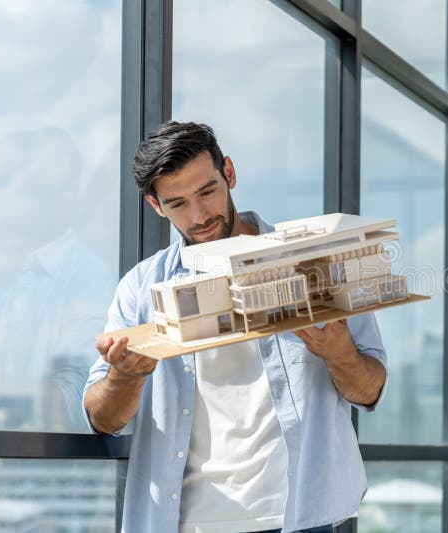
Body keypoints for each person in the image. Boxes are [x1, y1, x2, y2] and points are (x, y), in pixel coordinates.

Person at [83, 121, 389, 533]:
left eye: (207, 191)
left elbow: (369, 390)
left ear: (229, 172)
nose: (199, 215)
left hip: (300, 517)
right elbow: (103, 419)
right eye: (178, 204)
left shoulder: (315, 265)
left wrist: (339, 353)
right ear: (157, 206)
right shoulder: (141, 287)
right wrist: (125, 378)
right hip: (183, 522)